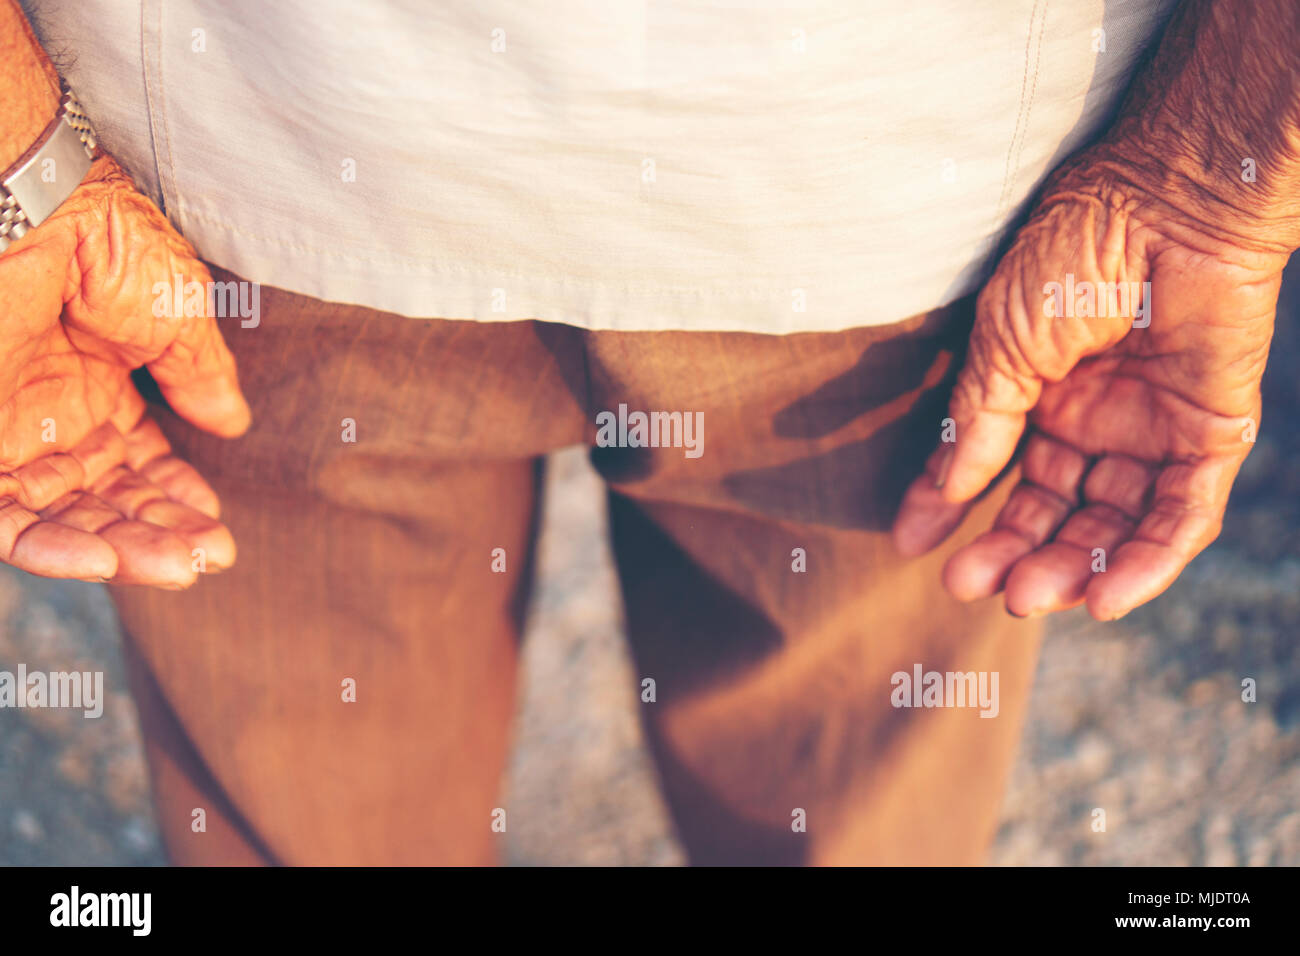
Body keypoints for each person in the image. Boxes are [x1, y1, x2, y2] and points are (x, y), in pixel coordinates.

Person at [1, 0, 1296, 865]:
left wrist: (18, 172)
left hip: (250, 147)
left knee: (307, 786)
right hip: (891, 181)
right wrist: (1215, 178)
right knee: (848, 798)